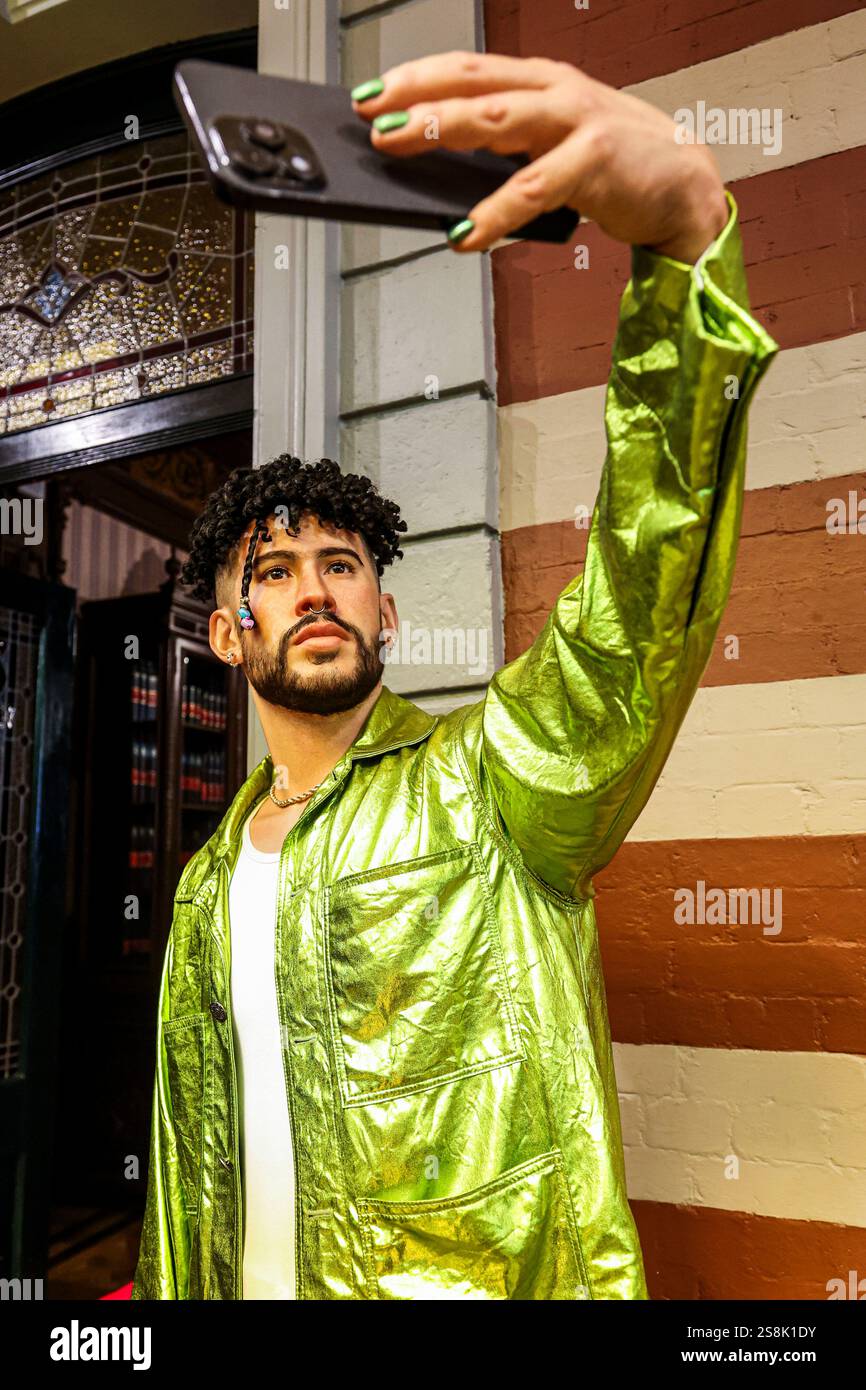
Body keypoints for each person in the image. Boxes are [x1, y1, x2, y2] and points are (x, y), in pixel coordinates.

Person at [131, 50, 778, 1301]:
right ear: (225, 634)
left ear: (385, 609)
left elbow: (633, 609)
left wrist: (686, 252)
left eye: (341, 564)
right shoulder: (210, 884)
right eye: (272, 571)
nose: (312, 587)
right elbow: (184, 1170)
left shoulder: (493, 786)